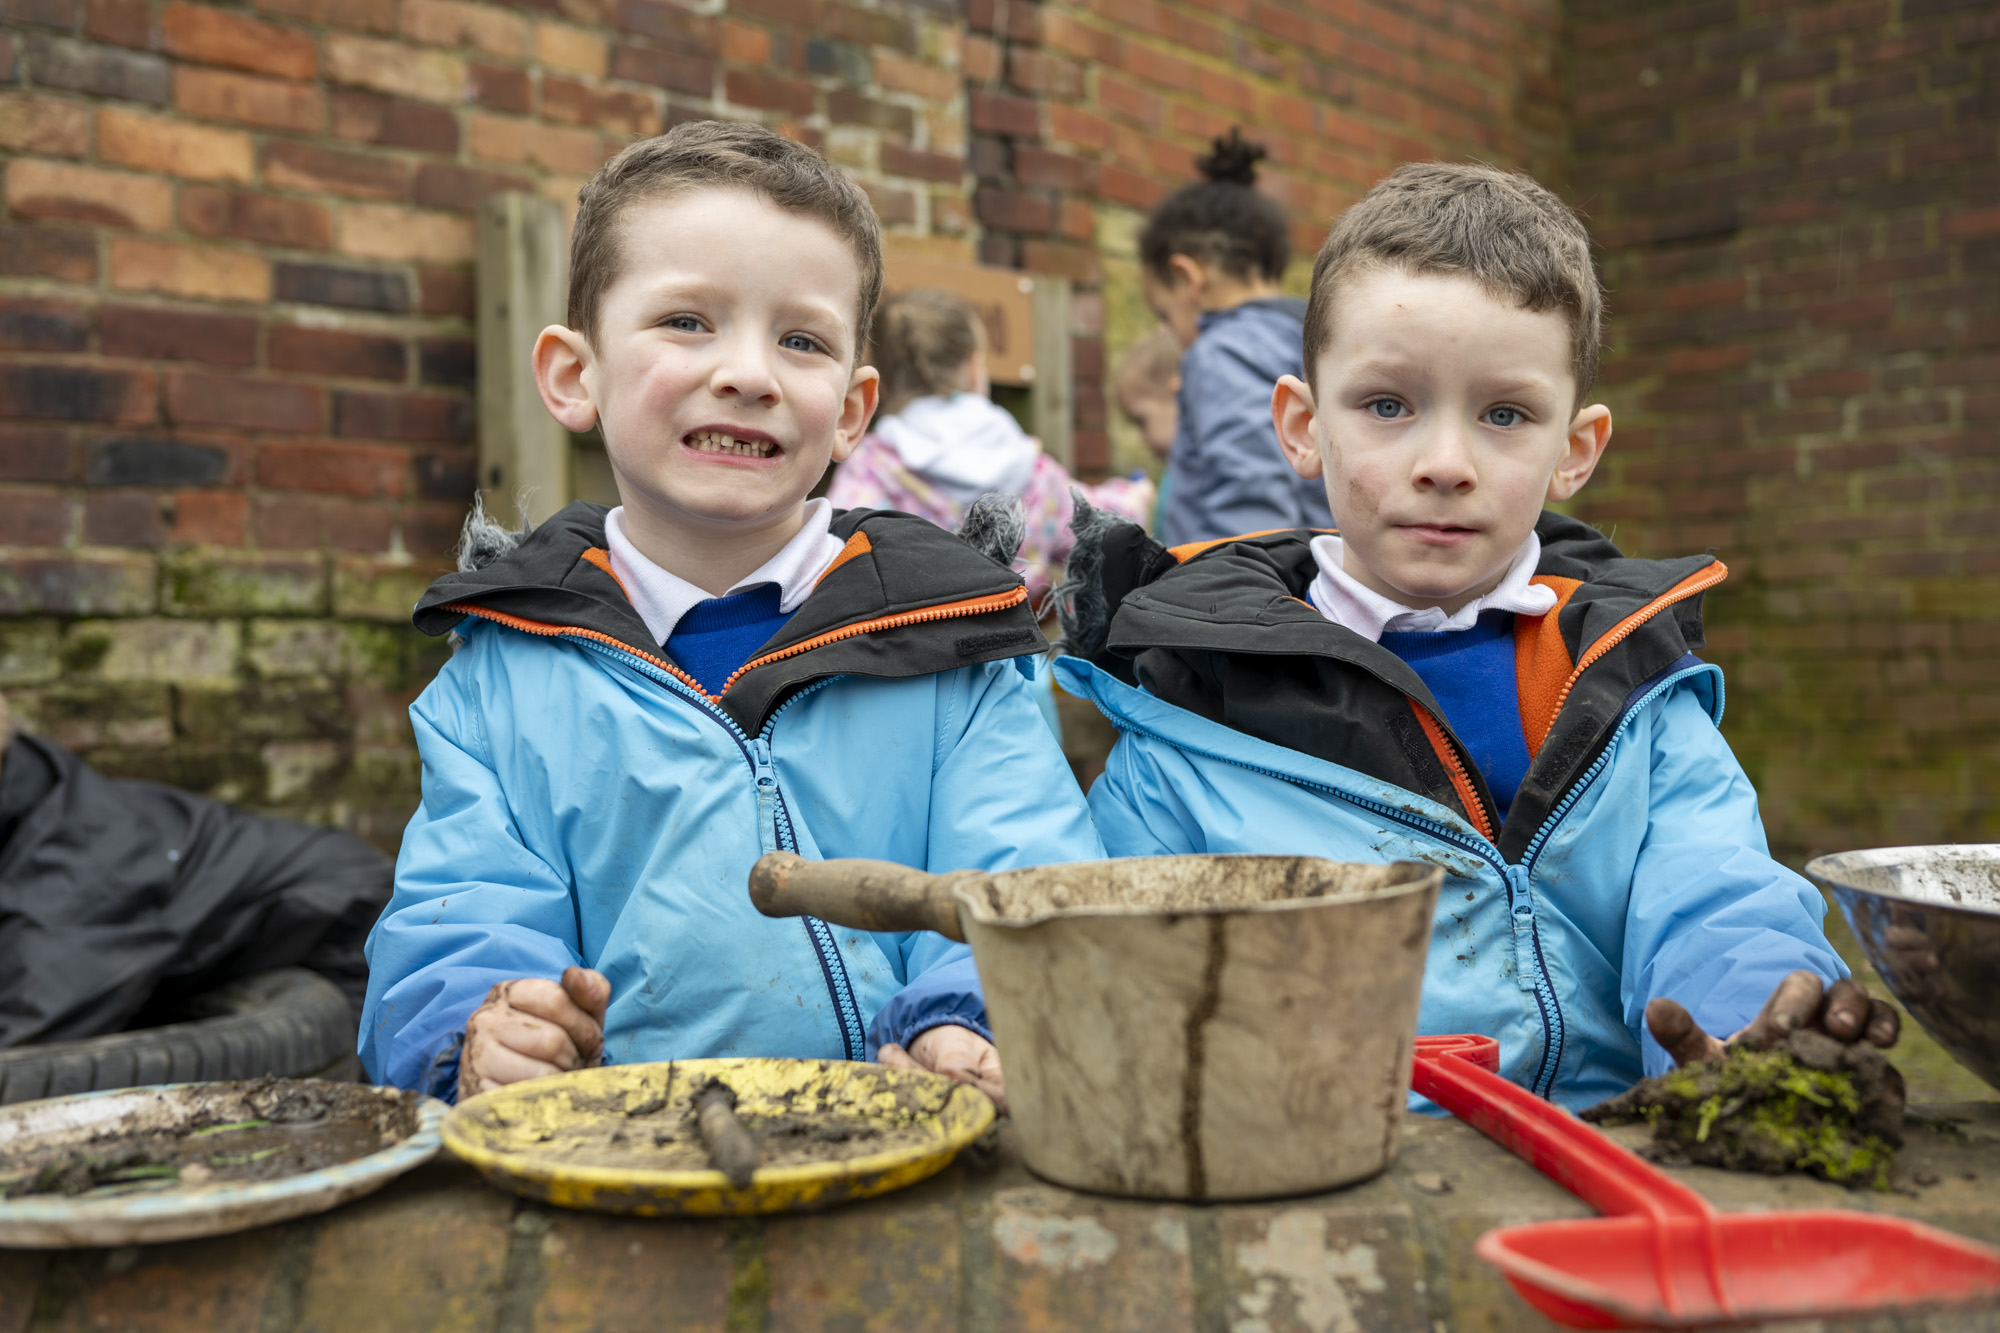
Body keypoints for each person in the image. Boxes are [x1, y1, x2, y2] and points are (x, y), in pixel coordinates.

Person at [1053, 163, 1897, 1109]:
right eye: (1387, 406)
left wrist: (1749, 1029)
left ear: (1575, 449)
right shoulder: (1193, 697)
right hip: (1318, 1176)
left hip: (1614, 1155)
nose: (1446, 464)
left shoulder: (1631, 682)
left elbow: (1715, 893)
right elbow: (1101, 949)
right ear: (1301, 426)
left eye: (1505, 414)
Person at [360, 121, 1102, 1106]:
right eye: (687, 322)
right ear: (574, 375)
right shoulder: (498, 677)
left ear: (849, 408)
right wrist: (482, 1025)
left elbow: (1031, 885)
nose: (749, 374)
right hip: (614, 1176)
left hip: (918, 1160)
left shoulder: (956, 642)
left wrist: (974, 1018)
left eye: (799, 340)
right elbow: (457, 910)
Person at [827, 286, 1152, 609]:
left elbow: (835, 551)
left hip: (907, 649)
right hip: (1011, 652)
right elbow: (1095, 528)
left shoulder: (873, 463)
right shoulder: (1030, 465)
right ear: (973, 368)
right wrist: (1136, 497)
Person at [1143, 128, 1333, 546]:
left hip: (1233, 598)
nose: (1169, 332)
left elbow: (1251, 510)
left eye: (1165, 313)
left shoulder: (1222, 352)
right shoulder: (1316, 339)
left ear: (1186, 279)